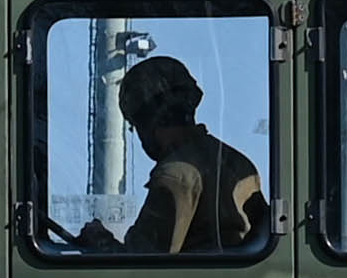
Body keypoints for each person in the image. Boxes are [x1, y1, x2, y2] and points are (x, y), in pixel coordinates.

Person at [103, 53, 267, 256]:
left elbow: (141, 264)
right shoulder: (234, 162)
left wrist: (100, 242)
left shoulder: (176, 175)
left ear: (147, 122)